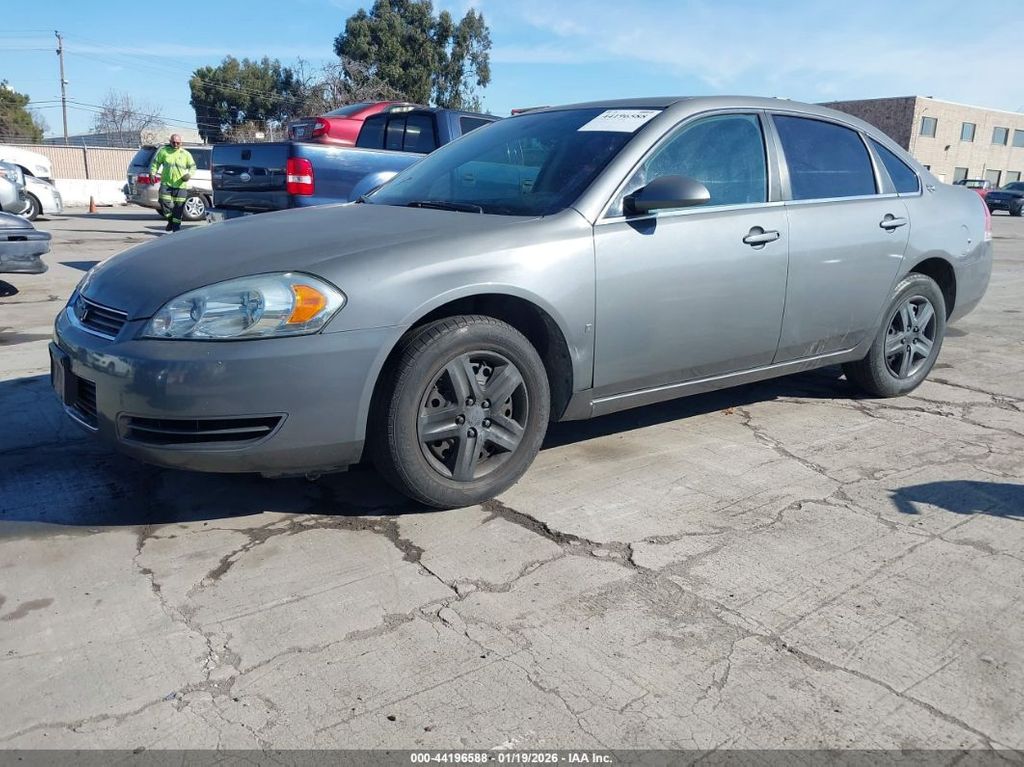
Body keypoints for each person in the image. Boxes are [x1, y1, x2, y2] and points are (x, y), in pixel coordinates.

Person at [149, 134, 196, 232]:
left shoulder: (185, 154)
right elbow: (155, 163)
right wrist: (152, 173)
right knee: (163, 203)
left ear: (181, 143)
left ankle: (176, 229)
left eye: (177, 143)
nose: (175, 144)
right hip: (166, 184)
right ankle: (171, 221)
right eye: (173, 142)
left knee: (178, 209)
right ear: (170, 141)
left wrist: (189, 175)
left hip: (181, 185)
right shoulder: (164, 152)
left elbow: (193, 167)